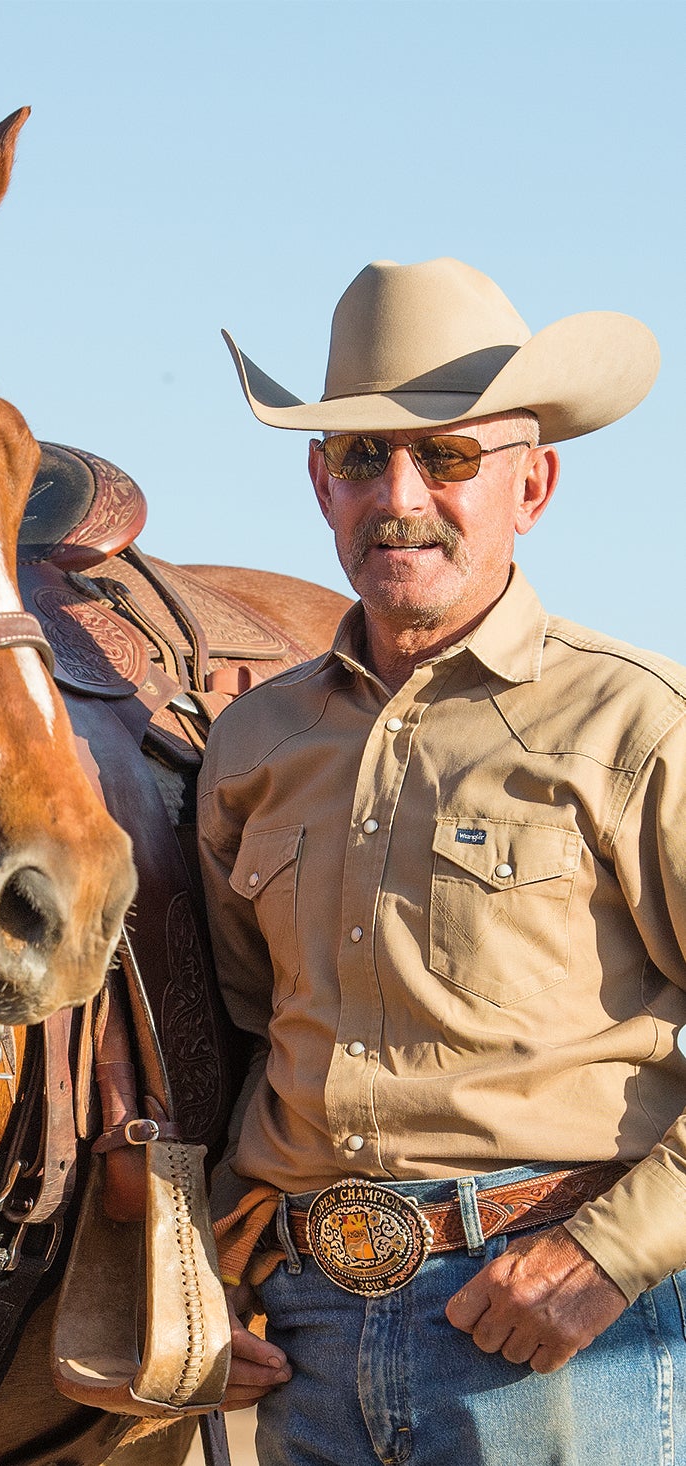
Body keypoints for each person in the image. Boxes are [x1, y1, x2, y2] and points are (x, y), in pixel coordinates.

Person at [197, 257, 683, 1465]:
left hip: (558, 1328)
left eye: (447, 458)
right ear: (319, 483)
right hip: (305, 1329)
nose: (397, 493)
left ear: (534, 483)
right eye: (360, 456)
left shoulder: (636, 725)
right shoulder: (252, 744)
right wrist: (210, 1253)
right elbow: (244, 1036)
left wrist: (611, 1251)